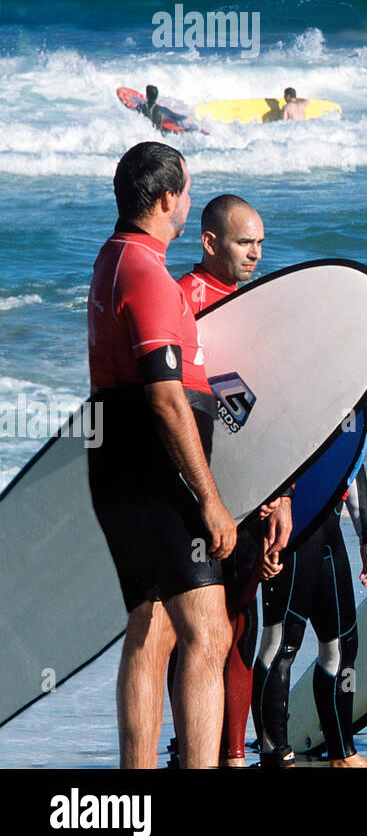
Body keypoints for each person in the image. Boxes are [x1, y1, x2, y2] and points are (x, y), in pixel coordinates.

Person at [86, 142, 237, 768]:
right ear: (169, 198)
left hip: (121, 463)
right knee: (210, 631)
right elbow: (167, 401)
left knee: (151, 629)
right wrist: (210, 500)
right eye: (188, 190)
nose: (189, 201)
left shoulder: (115, 259)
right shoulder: (146, 273)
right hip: (154, 470)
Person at [177, 194, 290, 769]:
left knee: (243, 627)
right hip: (201, 493)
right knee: (199, 631)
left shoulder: (252, 301)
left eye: (261, 243)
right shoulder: (184, 299)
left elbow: (265, 411)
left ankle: (233, 754)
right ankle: (187, 750)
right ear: (210, 241)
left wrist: (282, 496)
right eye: (246, 242)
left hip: (253, 494)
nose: (256, 253)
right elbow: (186, 404)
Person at [251, 436, 367, 768]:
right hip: (291, 526)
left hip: (328, 530)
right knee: (281, 644)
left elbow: (353, 455)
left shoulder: (348, 391)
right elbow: (267, 444)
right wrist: (259, 531)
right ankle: (274, 754)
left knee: (342, 645)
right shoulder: (295, 387)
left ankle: (343, 755)